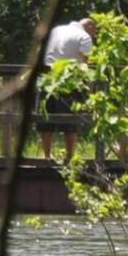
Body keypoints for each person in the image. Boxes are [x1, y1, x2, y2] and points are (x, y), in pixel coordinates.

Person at [40, 16, 98, 160]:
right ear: (90, 27)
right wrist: (91, 90)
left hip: (47, 78)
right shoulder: (84, 36)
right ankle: (70, 158)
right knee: (70, 122)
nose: (94, 36)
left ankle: (47, 156)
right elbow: (85, 64)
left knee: (46, 117)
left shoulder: (56, 30)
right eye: (94, 32)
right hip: (69, 78)